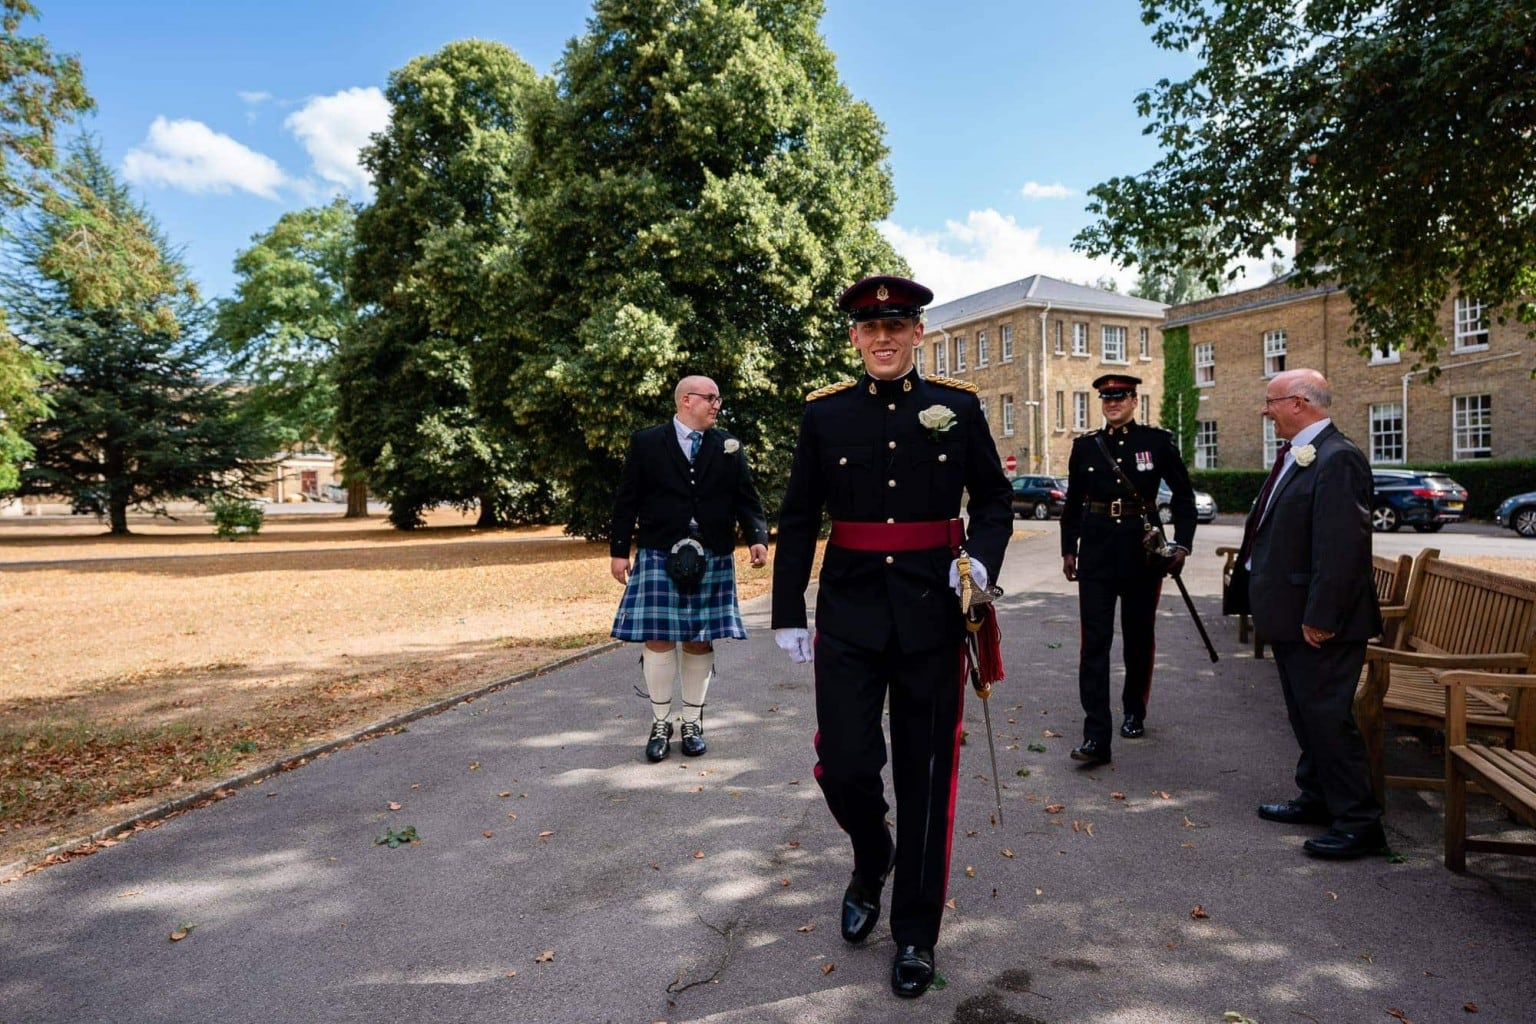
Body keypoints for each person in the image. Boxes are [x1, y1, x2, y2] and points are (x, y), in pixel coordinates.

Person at [771, 275, 1013, 999]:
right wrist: (787, 611)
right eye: (870, 327)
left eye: (897, 325)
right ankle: (872, 853)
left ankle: (915, 933)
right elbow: (798, 515)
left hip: (931, 613)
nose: (883, 337)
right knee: (845, 764)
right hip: (849, 611)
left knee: (926, 777)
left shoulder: (957, 409)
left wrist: (979, 560)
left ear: (917, 333)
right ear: (854, 338)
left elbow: (994, 500)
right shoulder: (826, 414)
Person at [1243, 368, 1386, 859]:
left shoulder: (1337, 457)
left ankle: (1359, 823)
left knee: (1327, 719)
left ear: (1299, 403)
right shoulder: (1300, 453)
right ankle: (1318, 796)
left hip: (1321, 622)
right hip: (1291, 614)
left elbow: (1342, 548)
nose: (1266, 411)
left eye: (1271, 401)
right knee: (1306, 716)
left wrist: (1322, 615)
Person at [609, 376, 769, 762]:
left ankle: (693, 723)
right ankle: (660, 722)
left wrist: (757, 537)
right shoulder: (647, 442)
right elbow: (627, 498)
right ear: (686, 400)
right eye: (710, 398)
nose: (717, 405)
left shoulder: (728, 445)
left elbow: (746, 497)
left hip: (712, 550)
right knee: (659, 638)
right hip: (659, 550)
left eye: (718, 399)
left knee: (699, 638)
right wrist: (619, 551)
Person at [1059, 373, 1196, 766]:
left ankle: (1134, 710)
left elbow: (1184, 497)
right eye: (1107, 398)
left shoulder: (1156, 442)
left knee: (1138, 638)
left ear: (1135, 400)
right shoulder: (1085, 447)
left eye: (1120, 397)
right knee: (1094, 644)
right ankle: (1095, 736)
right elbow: (1073, 504)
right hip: (1097, 555)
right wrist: (1069, 549)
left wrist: (1182, 544)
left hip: (1142, 555)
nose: (1113, 404)